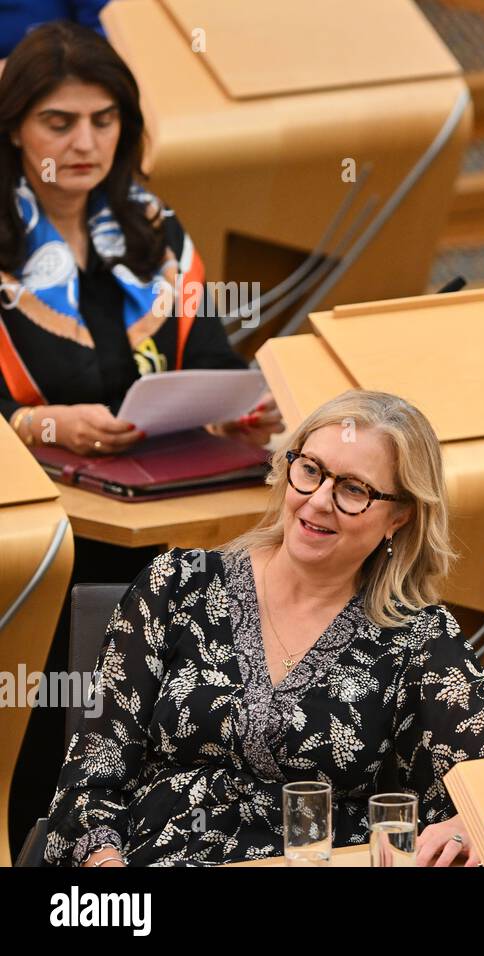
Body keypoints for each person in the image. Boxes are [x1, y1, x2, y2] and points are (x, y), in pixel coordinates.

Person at [1, 21, 282, 851]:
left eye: (104, 119)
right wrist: (35, 421)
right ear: (14, 125)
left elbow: (217, 353)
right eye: (59, 122)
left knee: (173, 736)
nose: (85, 142)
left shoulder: (152, 224)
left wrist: (241, 405)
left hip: (166, 529)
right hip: (42, 543)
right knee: (58, 736)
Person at [45, 390, 484, 866]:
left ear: (399, 515)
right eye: (310, 470)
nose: (319, 500)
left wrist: (467, 822)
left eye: (353, 489)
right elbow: (90, 777)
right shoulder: (177, 584)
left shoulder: (419, 637)